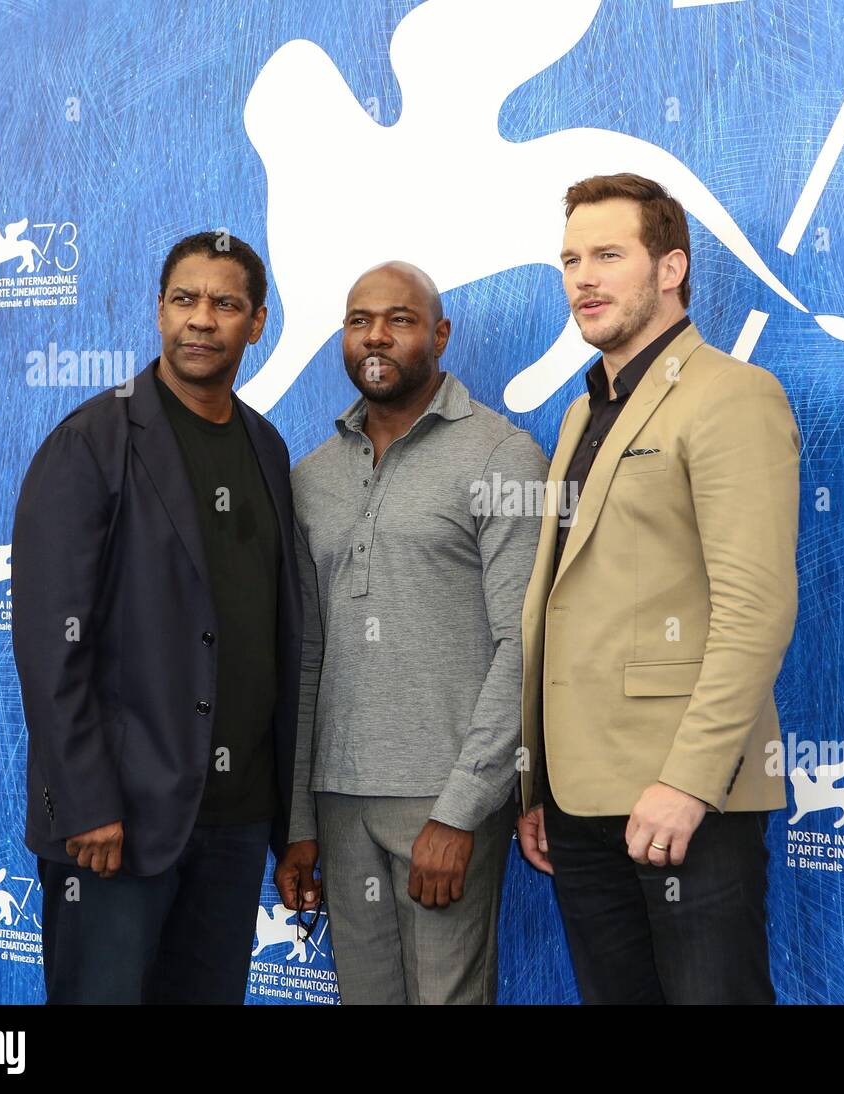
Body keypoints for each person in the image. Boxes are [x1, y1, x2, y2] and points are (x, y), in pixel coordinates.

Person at [515, 174, 801, 1004]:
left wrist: (689, 782)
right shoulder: (580, 415)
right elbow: (559, 605)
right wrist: (537, 787)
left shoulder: (731, 396)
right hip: (577, 800)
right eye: (570, 260)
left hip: (686, 798)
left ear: (671, 267)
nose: (583, 280)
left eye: (609, 255)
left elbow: (756, 609)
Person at [11, 231, 302, 1004]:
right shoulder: (90, 443)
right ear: (159, 311)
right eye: (185, 300)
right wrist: (88, 804)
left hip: (235, 824)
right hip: (117, 827)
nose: (201, 320)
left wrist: (287, 821)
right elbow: (51, 647)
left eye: (225, 303)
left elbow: (272, 635)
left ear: (258, 322)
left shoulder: (267, 448)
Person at [275, 261, 547, 1004]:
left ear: (440, 333)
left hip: (441, 796)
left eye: (399, 319)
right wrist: (300, 818)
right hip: (339, 803)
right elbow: (305, 659)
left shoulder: (501, 456)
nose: (377, 335)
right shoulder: (313, 476)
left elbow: (521, 644)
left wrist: (459, 811)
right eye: (360, 319)